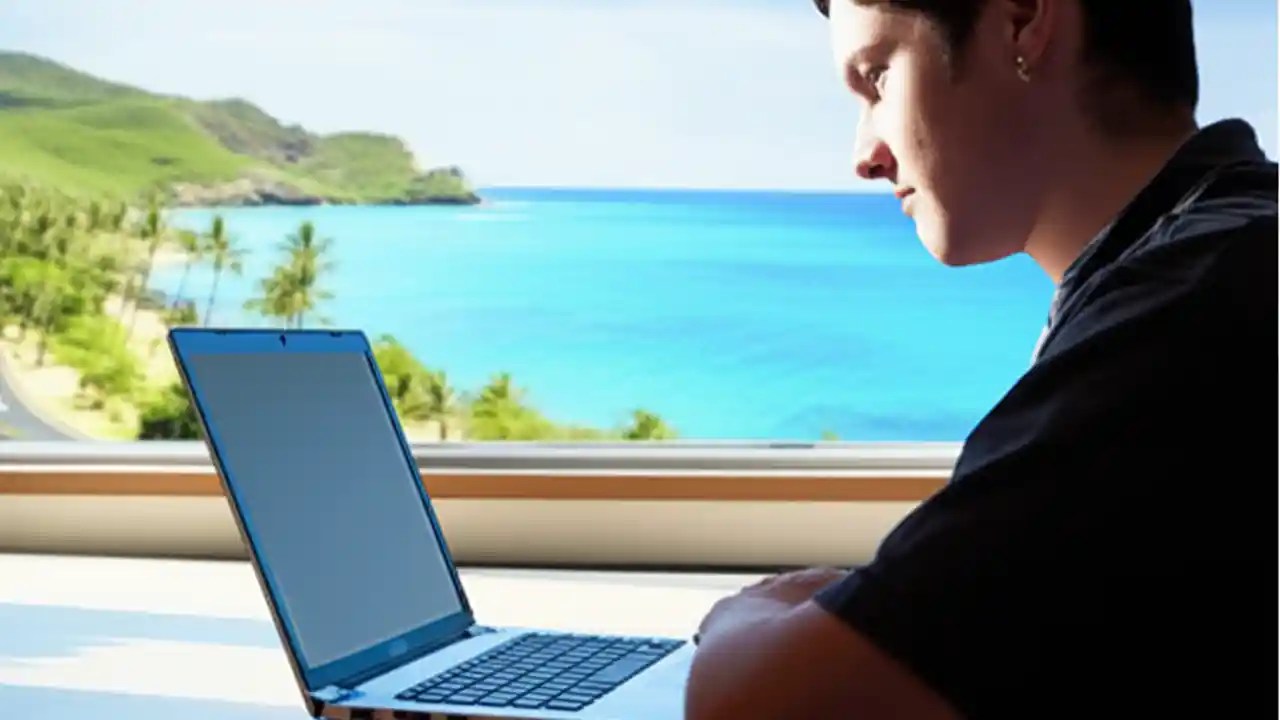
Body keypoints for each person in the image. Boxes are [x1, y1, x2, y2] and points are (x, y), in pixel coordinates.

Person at [684, 0, 1277, 718]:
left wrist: (746, 613)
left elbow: (757, 704)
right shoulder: (1221, 253)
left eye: (877, 78)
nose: (864, 155)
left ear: (1024, 20)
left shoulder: (1187, 318)